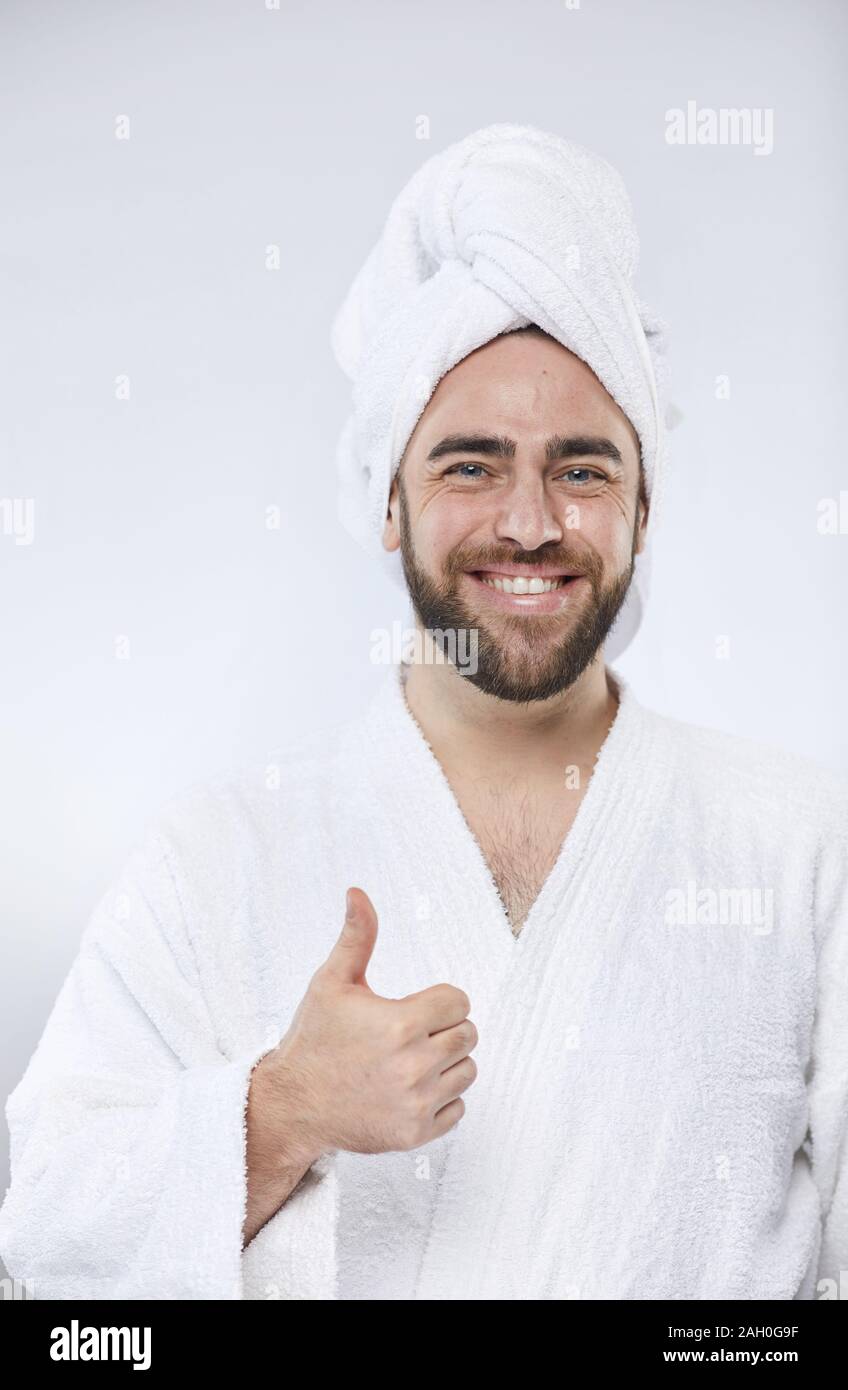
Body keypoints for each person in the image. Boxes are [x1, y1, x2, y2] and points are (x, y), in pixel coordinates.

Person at [1, 125, 846, 1301]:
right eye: (468, 466)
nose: (528, 524)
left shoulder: (801, 846)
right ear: (386, 503)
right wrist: (280, 1112)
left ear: (642, 508)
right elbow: (44, 1233)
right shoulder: (216, 855)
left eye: (582, 469)